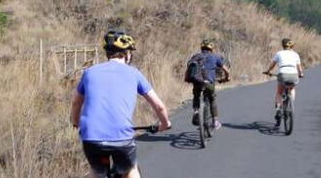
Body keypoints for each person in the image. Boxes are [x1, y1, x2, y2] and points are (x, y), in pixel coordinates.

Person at [71, 30, 171, 178]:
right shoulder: (134, 73)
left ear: (108, 53)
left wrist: (76, 122)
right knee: (130, 169)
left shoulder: (89, 72)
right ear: (127, 54)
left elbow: (75, 102)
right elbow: (159, 106)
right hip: (121, 138)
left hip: (91, 137)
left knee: (97, 171)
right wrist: (164, 123)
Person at [189, 39, 231, 130]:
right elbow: (226, 70)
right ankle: (215, 121)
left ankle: (196, 111)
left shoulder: (195, 56)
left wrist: (187, 79)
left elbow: (189, 68)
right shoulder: (215, 57)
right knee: (212, 99)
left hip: (197, 82)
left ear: (201, 48)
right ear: (211, 49)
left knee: (196, 95)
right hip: (209, 83)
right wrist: (226, 78)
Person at [263, 38, 304, 126]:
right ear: (291, 46)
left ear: (283, 45)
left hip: (283, 74)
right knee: (292, 88)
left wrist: (268, 71)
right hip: (293, 74)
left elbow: (272, 64)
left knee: (279, 92)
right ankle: (290, 105)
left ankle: (278, 110)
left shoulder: (279, 53)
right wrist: (301, 74)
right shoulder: (295, 54)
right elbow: (299, 68)